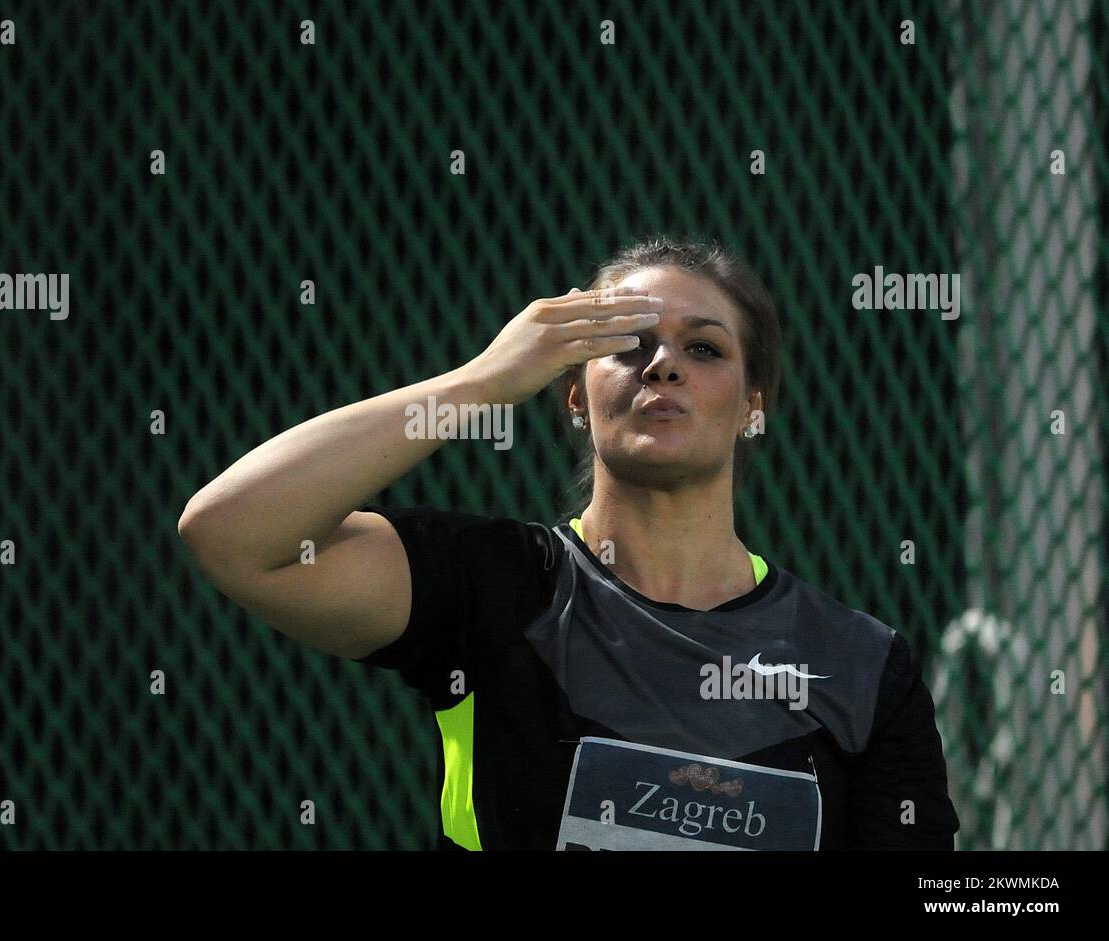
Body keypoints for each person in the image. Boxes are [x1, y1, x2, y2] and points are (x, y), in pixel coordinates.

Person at [177, 234, 961, 851]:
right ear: (575, 399)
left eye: (704, 348)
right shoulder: (495, 585)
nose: (662, 365)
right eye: (627, 344)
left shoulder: (858, 665)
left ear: (754, 406)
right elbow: (233, 534)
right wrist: (480, 381)